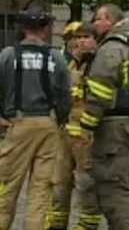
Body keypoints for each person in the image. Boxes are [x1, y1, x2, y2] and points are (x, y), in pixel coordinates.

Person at [0, 3, 71, 230]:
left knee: (8, 183)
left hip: (19, 124)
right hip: (48, 124)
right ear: (46, 28)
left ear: (23, 28)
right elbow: (65, 97)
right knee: (41, 188)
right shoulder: (56, 57)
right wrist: (59, 121)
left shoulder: (8, 55)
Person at [71, 4, 129, 230]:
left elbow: (100, 92)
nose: (95, 24)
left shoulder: (111, 47)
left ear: (109, 20)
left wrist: (87, 126)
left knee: (115, 190)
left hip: (116, 131)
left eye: (98, 19)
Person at [47, 21, 102, 230]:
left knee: (85, 182)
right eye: (76, 38)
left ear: (96, 41)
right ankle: (56, 223)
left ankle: (87, 224)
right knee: (59, 181)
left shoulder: (99, 65)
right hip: (64, 133)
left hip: (86, 136)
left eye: (85, 37)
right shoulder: (69, 64)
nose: (79, 42)